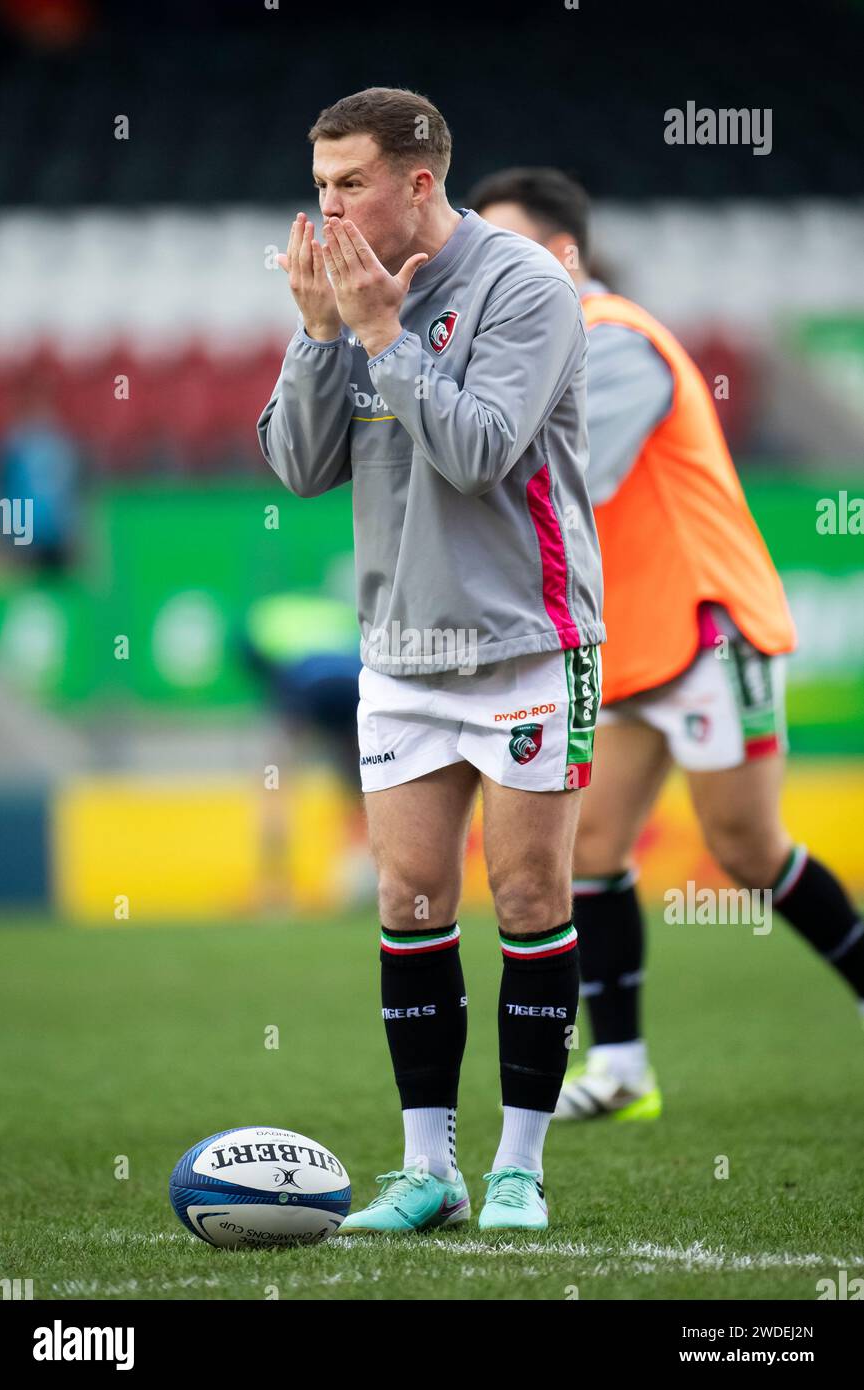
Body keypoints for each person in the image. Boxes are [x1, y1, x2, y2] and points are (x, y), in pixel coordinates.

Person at [258, 91, 604, 1230]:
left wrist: (375, 337)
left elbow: (479, 452)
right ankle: (428, 1171)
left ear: (418, 182)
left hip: (523, 641)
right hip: (401, 650)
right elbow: (297, 466)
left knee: (527, 894)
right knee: (408, 897)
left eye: (348, 183)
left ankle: (518, 1168)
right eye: (318, 187)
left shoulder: (525, 287)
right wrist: (319, 338)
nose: (328, 209)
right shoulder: (346, 299)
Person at [471, 167, 864, 1121]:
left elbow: (563, 481)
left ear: (565, 255)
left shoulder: (615, 342)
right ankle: (623, 1070)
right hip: (627, 639)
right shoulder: (550, 350)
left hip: (702, 624)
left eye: (506, 248)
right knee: (592, 848)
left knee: (743, 846)